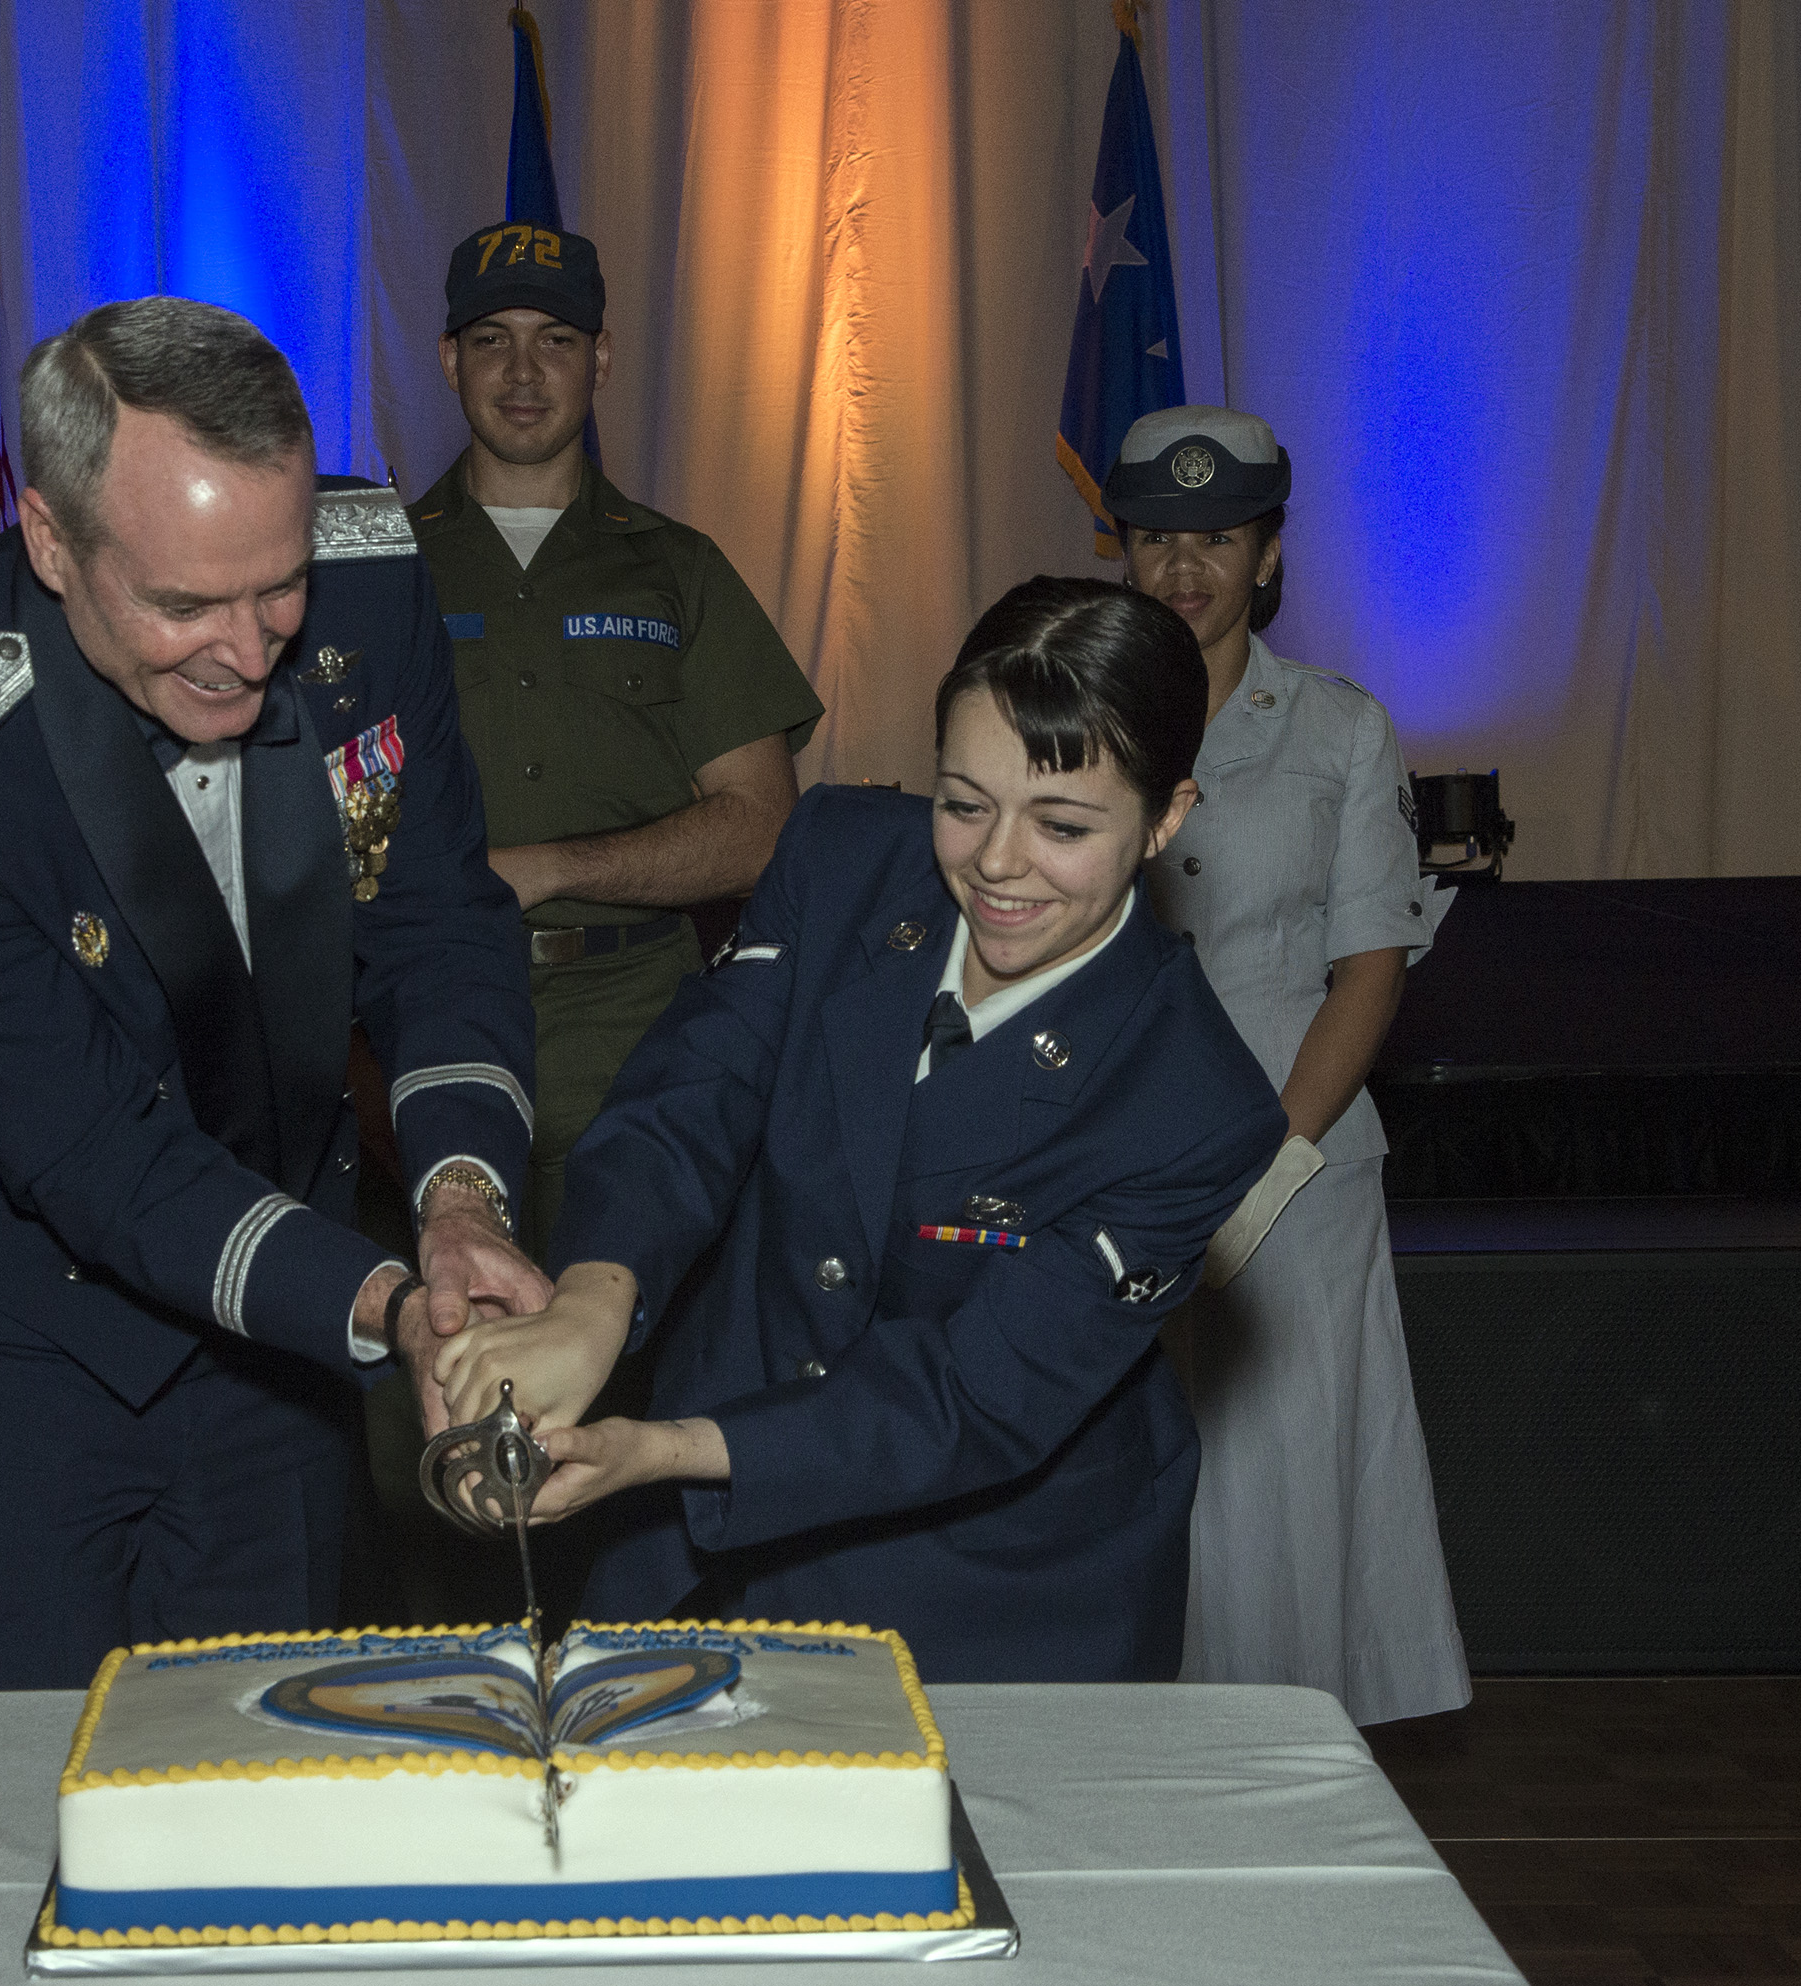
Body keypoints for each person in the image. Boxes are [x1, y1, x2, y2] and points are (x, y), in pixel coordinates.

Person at [0, 297, 548, 1690]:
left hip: (276, 1317)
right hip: (11, 1341)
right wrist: (391, 1304)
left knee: (268, 1750)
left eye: (277, 588)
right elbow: (98, 1153)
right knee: (30, 1777)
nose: (249, 653)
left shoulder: (372, 579)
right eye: (185, 605)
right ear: (51, 543)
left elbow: (439, 923)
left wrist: (460, 1203)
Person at [434, 577, 1286, 1681]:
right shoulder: (842, 858)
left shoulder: (1196, 1107)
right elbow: (698, 1091)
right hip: (703, 1548)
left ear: (1167, 816)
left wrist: (667, 1450)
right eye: (964, 803)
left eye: (1063, 825)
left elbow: (971, 1396)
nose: (998, 863)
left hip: (993, 1589)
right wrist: (596, 1297)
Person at [1106, 404, 1471, 1726]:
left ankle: (1288, 1762)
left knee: (1279, 1495)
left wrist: (1258, 1174)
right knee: (1123, 1486)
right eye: (1157, 536)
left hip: (1295, 1157)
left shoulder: (1337, 728)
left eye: (1217, 537)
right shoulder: (1072, 710)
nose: (1184, 565)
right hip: (1106, 1148)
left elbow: (1369, 969)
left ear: (1268, 555)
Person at [408, 221, 819, 1254]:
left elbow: (763, 829)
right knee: (445, 1333)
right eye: (492, 340)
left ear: (600, 360)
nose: (522, 372)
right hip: (428, 1019)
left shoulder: (679, 569)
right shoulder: (380, 572)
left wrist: (546, 869)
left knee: (631, 1330)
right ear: (450, 360)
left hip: (637, 1027)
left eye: (555, 340)